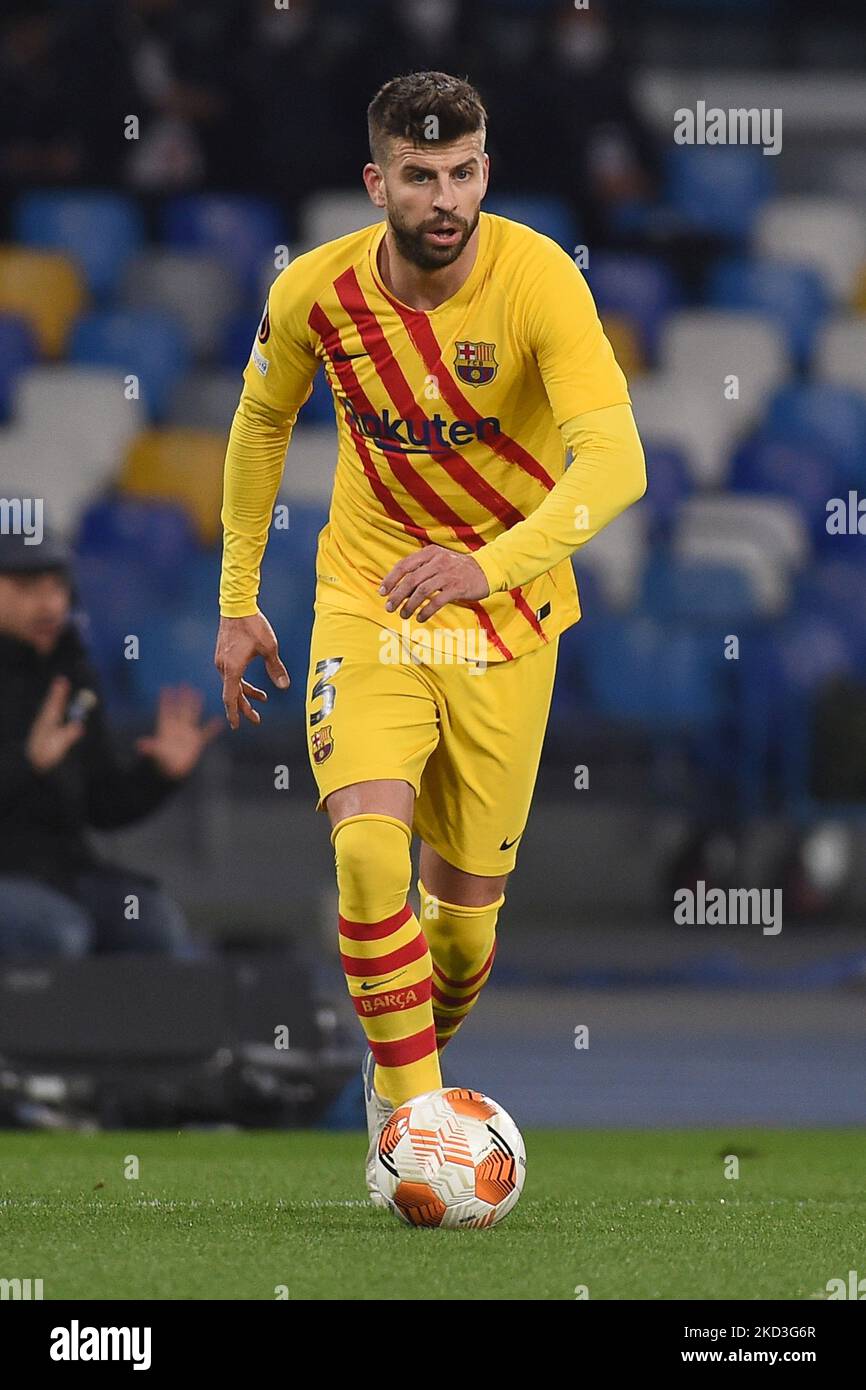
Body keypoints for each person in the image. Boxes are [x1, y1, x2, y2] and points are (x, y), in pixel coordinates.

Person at [214, 71, 646, 1203]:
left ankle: (399, 1057)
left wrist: (485, 564)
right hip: (368, 606)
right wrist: (238, 595)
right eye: (418, 176)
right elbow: (262, 419)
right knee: (365, 855)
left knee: (458, 938)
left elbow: (618, 461)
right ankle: (414, 1118)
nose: (443, 195)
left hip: (505, 621)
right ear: (377, 183)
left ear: (484, 173)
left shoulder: (540, 279)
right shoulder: (315, 293)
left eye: (461, 173)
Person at [0, 527, 220, 957]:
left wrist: (159, 775)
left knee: (152, 925)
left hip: (61, 872)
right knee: (58, 934)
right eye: (27, 588)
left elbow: (100, 806)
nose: (49, 604)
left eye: (57, 587)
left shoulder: (72, 674)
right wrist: (26, 763)